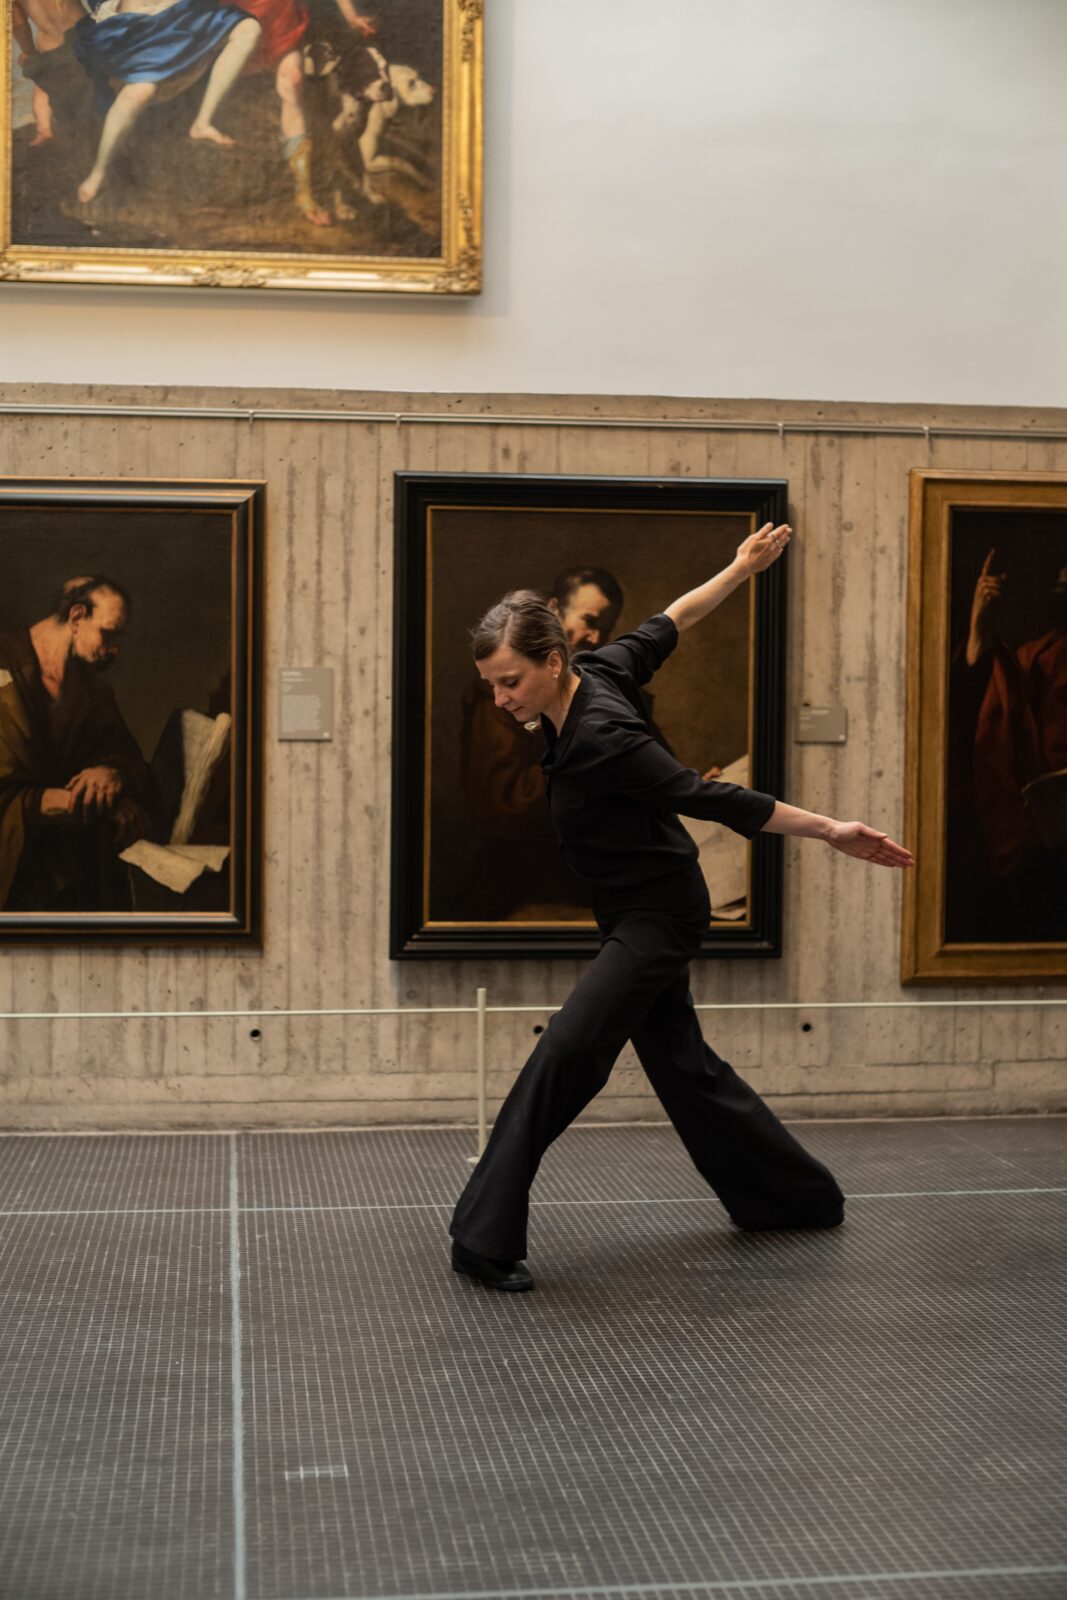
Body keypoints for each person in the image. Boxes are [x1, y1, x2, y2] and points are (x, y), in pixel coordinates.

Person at [449, 523, 914, 1291]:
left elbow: (713, 798)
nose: (501, 701)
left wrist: (831, 829)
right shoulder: (598, 669)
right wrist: (739, 567)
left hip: (657, 917)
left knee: (566, 1052)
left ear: (552, 661)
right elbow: (673, 619)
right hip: (633, 909)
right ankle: (792, 1197)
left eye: (509, 683)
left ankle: (482, 1237)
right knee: (684, 1065)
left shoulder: (605, 733)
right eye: (493, 685)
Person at [0, 577, 151, 911]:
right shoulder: (3, 662)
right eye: (108, 634)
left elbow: (131, 759)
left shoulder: (95, 693)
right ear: (77, 617)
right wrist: (90, 804)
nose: (114, 649)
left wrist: (113, 773)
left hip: (77, 874)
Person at [73, 0, 264, 203]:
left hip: (180, 15)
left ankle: (203, 122)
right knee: (139, 92)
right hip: (135, 30)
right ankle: (100, 171)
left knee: (248, 29)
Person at [12, 0, 86, 149]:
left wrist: (29, 53)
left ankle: (44, 130)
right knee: (89, 83)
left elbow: (18, 25)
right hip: (81, 31)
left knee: (43, 86)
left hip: (51, 43)